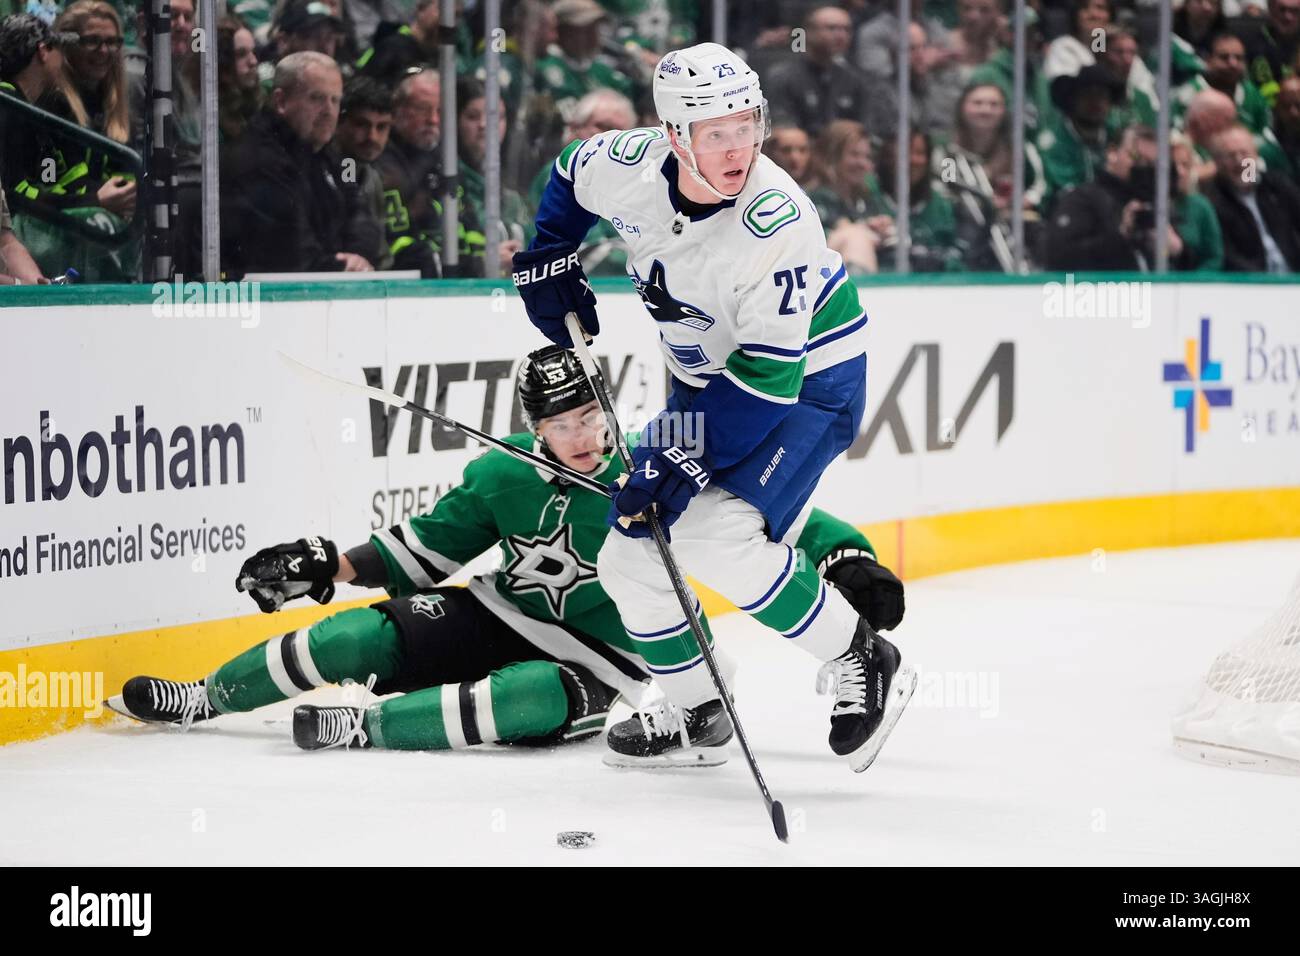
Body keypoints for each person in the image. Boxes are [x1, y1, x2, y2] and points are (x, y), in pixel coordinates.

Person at [107, 347, 903, 758]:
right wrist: (330, 564)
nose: (585, 436)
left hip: (605, 657)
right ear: (534, 426)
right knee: (350, 637)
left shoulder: (657, 467)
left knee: (529, 699)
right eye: (564, 426)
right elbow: (419, 554)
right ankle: (203, 699)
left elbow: (769, 514)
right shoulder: (499, 473)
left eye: (593, 416)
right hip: (496, 611)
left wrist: (848, 560)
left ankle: (365, 729)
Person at [512, 43, 916, 771]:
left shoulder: (778, 218)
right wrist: (550, 254)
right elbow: (572, 175)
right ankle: (701, 706)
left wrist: (682, 453)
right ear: (674, 136)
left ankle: (862, 653)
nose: (739, 147)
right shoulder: (630, 164)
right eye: (716, 132)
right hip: (709, 377)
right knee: (630, 550)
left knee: (711, 533)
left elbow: (768, 378)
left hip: (805, 380)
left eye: (747, 124)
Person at [221, 51, 373, 275]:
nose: (329, 111)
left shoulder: (330, 156)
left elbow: (360, 214)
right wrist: (340, 266)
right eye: (317, 98)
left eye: (335, 100)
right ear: (281, 101)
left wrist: (357, 258)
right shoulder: (257, 161)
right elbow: (288, 249)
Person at [1200, 123, 1300, 271]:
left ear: (1256, 155)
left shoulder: (1278, 187)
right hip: (1250, 285)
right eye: (1230, 155)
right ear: (1217, 163)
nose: (1240, 161)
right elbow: (1227, 256)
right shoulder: (1212, 201)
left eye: (1245, 153)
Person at [764, 5, 871, 141]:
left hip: (840, 155)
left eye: (847, 30)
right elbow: (782, 128)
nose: (841, 35)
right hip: (798, 155)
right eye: (832, 28)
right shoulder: (784, 77)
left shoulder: (854, 80)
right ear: (809, 32)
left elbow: (862, 130)